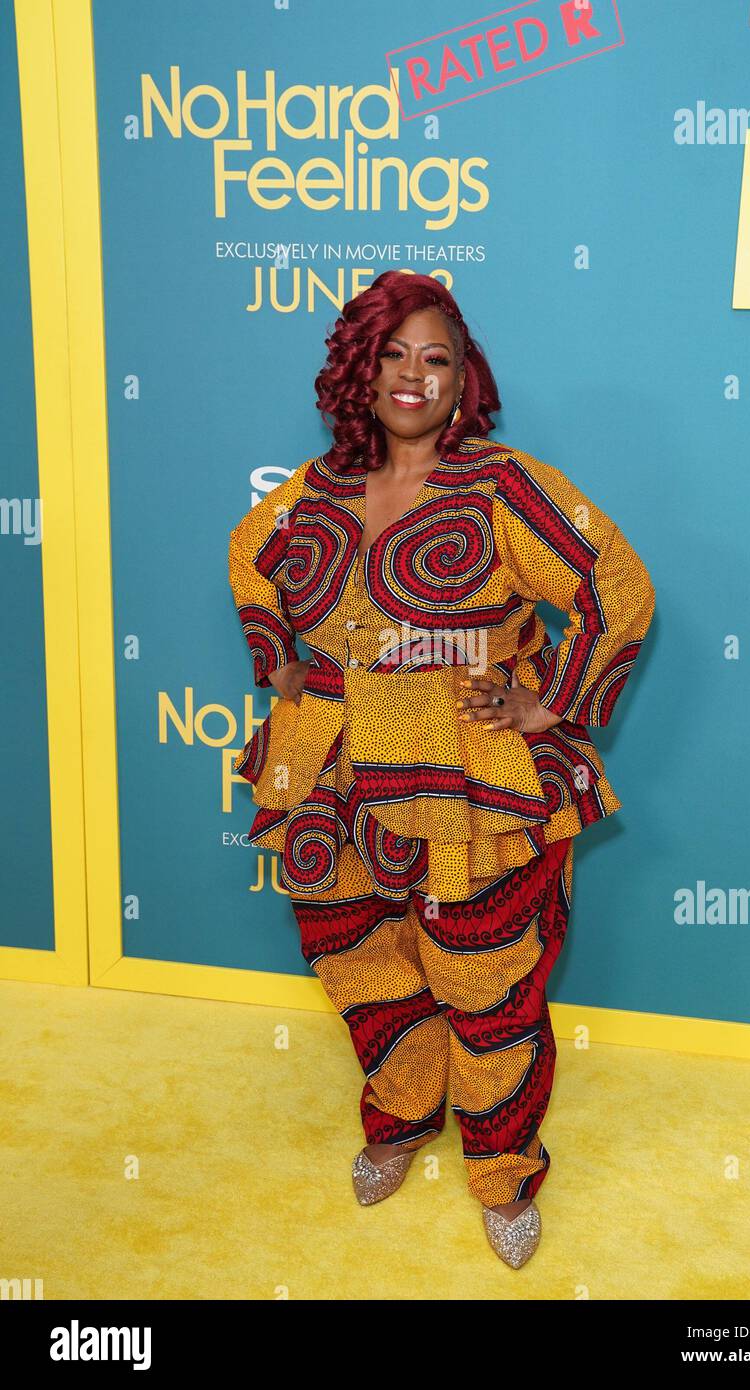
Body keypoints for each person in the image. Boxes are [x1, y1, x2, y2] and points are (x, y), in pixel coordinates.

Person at [227, 270, 655, 1268]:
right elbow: (251, 552)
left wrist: (547, 700)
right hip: (329, 775)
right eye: (393, 354)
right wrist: (277, 656)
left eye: (438, 358)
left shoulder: (503, 484)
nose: (414, 375)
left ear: (465, 378)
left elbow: (612, 581)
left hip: (467, 777)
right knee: (359, 962)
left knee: (486, 983)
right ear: (359, 369)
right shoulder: (314, 487)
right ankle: (400, 1116)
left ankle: (502, 1171)